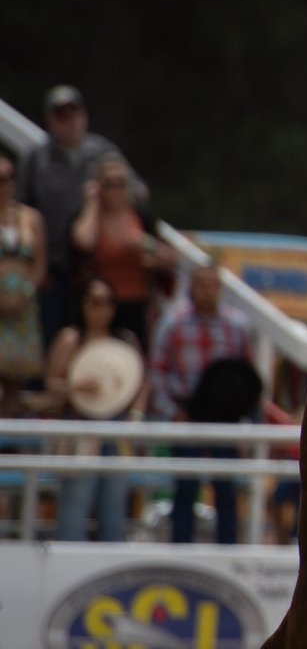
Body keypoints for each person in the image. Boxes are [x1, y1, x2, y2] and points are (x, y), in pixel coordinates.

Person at [17, 87, 145, 345]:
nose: (68, 120)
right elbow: (23, 212)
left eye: (73, 111)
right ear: (50, 119)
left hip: (95, 269)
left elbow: (140, 192)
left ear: (83, 114)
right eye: (59, 114)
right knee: (50, 335)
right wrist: (33, 264)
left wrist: (107, 193)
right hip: (52, 266)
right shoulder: (36, 159)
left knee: (96, 337)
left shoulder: (103, 153)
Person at [150, 263, 259, 544]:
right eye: (202, 284)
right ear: (192, 288)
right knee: (185, 489)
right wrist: (173, 413)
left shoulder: (237, 325)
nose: (208, 291)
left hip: (226, 418)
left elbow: (249, 377)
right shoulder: (173, 323)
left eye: (213, 284)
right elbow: (158, 372)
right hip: (187, 414)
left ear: (220, 289)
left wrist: (247, 420)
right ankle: (181, 552)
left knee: (226, 490)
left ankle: (228, 554)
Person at [45, 277, 143, 541]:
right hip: (80, 423)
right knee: (77, 499)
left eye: (109, 303)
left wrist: (136, 417)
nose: (102, 309)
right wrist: (75, 387)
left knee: (115, 502)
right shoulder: (71, 338)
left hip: (117, 424)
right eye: (95, 302)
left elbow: (140, 382)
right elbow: (51, 384)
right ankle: (69, 561)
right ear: (84, 304)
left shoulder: (126, 340)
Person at [70, 155, 163, 341]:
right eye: (109, 184)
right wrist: (92, 201)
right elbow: (83, 242)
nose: (116, 190)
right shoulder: (89, 215)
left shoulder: (142, 217)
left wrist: (145, 243)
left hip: (136, 302)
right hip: (99, 304)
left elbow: (168, 256)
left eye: (121, 183)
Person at [0, 152, 46, 414]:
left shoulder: (31, 219)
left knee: (15, 385)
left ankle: (9, 449)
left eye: (9, 177)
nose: (4, 184)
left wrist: (25, 293)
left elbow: (40, 265)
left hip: (23, 308)